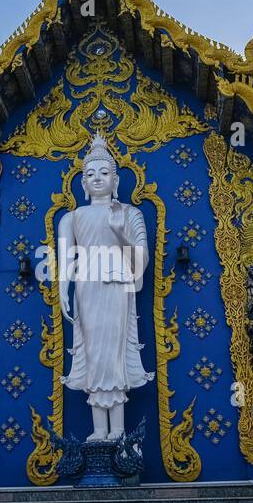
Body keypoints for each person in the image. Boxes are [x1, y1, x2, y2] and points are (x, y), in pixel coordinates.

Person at [57, 131, 154, 440]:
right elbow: (65, 262)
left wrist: (119, 231)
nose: (97, 178)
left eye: (104, 173)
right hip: (87, 286)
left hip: (116, 284)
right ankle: (100, 430)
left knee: (113, 353)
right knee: (93, 353)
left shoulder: (129, 213)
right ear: (83, 184)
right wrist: (63, 289)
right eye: (90, 174)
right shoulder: (72, 218)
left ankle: (119, 431)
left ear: (116, 181)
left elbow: (141, 259)